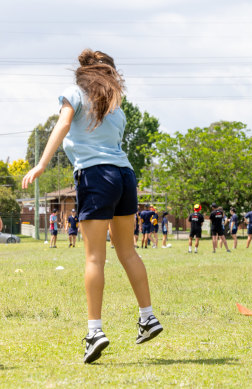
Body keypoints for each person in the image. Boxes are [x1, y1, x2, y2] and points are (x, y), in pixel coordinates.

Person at [21, 49, 162, 364]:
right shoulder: (116, 108)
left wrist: (42, 164)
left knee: (95, 257)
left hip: (96, 176)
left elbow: (63, 125)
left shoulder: (76, 93)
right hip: (125, 176)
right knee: (128, 252)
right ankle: (148, 317)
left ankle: (95, 331)